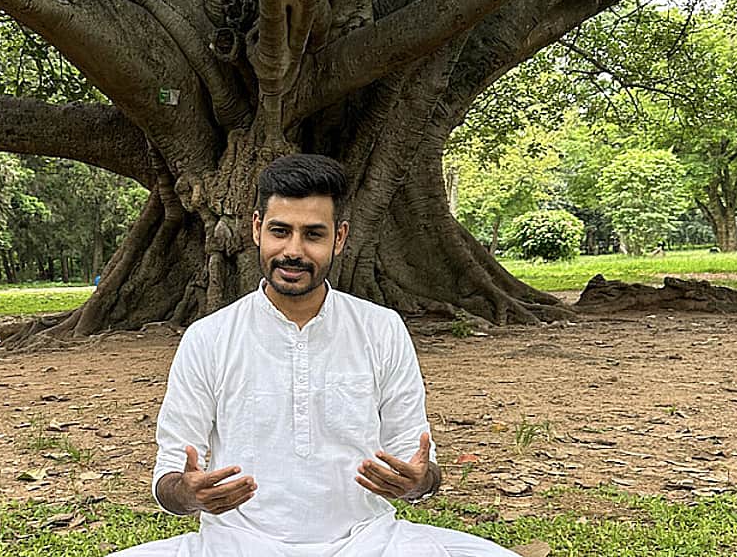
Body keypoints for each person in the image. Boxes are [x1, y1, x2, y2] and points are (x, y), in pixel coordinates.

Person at [112, 154, 519, 556]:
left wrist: (416, 484)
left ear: (339, 238)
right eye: (280, 231)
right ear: (256, 230)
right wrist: (189, 494)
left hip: (367, 543)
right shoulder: (209, 338)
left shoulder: (381, 329)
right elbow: (170, 477)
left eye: (313, 234)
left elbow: (418, 463)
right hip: (235, 545)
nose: (293, 250)